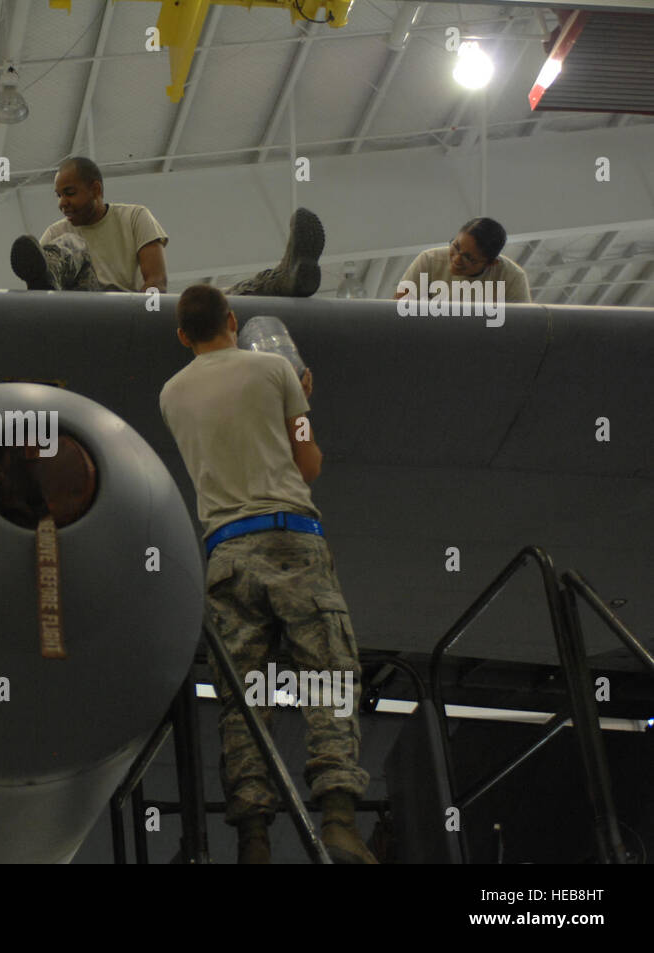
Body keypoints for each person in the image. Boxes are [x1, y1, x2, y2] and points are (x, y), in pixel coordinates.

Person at [159, 285, 375, 865]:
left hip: (225, 554)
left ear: (184, 336)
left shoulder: (171, 394)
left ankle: (252, 842)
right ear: (232, 320)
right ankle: (337, 821)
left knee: (243, 700)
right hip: (291, 542)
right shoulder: (275, 368)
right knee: (327, 676)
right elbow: (308, 463)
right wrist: (299, 402)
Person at [9, 156, 324, 298]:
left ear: (95, 188)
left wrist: (148, 314)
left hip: (131, 306)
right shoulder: (57, 234)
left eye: (69, 193)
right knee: (70, 243)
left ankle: (284, 279)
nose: (62, 203)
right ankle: (45, 279)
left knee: (211, 303)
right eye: (58, 196)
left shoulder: (135, 217)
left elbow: (156, 280)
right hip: (82, 304)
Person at [395, 217, 531, 302]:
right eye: (455, 246)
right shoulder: (429, 260)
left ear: (491, 263)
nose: (457, 259)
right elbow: (398, 309)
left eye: (469, 258)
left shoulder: (512, 277)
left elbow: (521, 327)